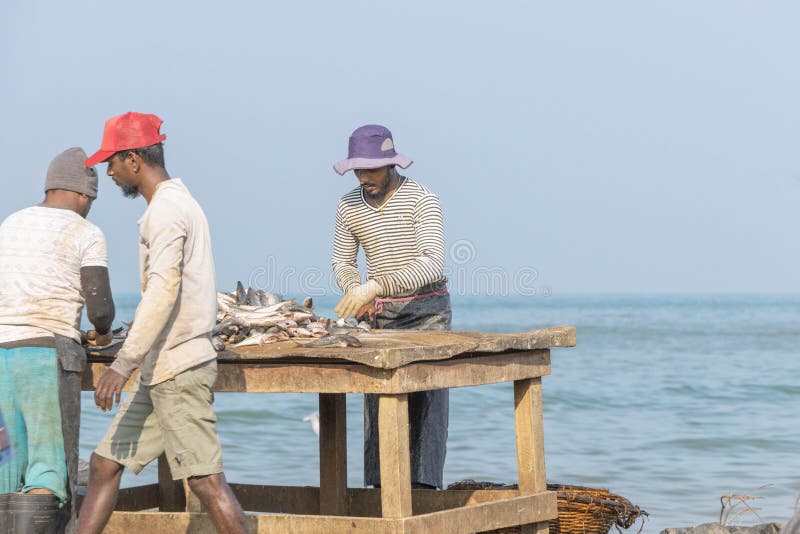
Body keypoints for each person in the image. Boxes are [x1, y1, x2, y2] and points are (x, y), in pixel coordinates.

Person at [77, 112, 248, 534]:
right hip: (162, 370)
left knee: (206, 480)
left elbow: (162, 290)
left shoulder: (167, 212)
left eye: (112, 162)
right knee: (105, 462)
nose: (110, 171)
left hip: (179, 368)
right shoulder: (177, 204)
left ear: (134, 159)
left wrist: (122, 364)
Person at [0, 147, 115, 532]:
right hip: (47, 354)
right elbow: (100, 309)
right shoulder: (85, 232)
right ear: (84, 196)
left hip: (3, 352)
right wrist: (101, 333)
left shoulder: (11, 223)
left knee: (8, 466)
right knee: (48, 469)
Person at [331, 124, 451, 490]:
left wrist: (375, 285)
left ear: (392, 164)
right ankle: (381, 497)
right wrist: (356, 292)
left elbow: (433, 263)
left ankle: (425, 496)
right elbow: (342, 262)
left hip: (428, 316)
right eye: (358, 169)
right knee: (379, 413)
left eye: (372, 169)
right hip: (380, 320)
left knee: (426, 413)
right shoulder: (348, 206)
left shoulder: (422, 199)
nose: (364, 177)